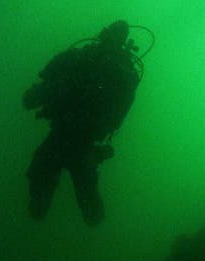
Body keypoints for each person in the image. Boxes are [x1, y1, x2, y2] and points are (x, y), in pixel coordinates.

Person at [23, 20, 141, 225]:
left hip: (66, 137)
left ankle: (44, 215)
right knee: (86, 199)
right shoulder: (122, 71)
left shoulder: (83, 58)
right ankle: (92, 221)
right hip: (82, 143)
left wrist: (39, 95)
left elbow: (42, 86)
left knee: (43, 193)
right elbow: (117, 115)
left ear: (104, 33)